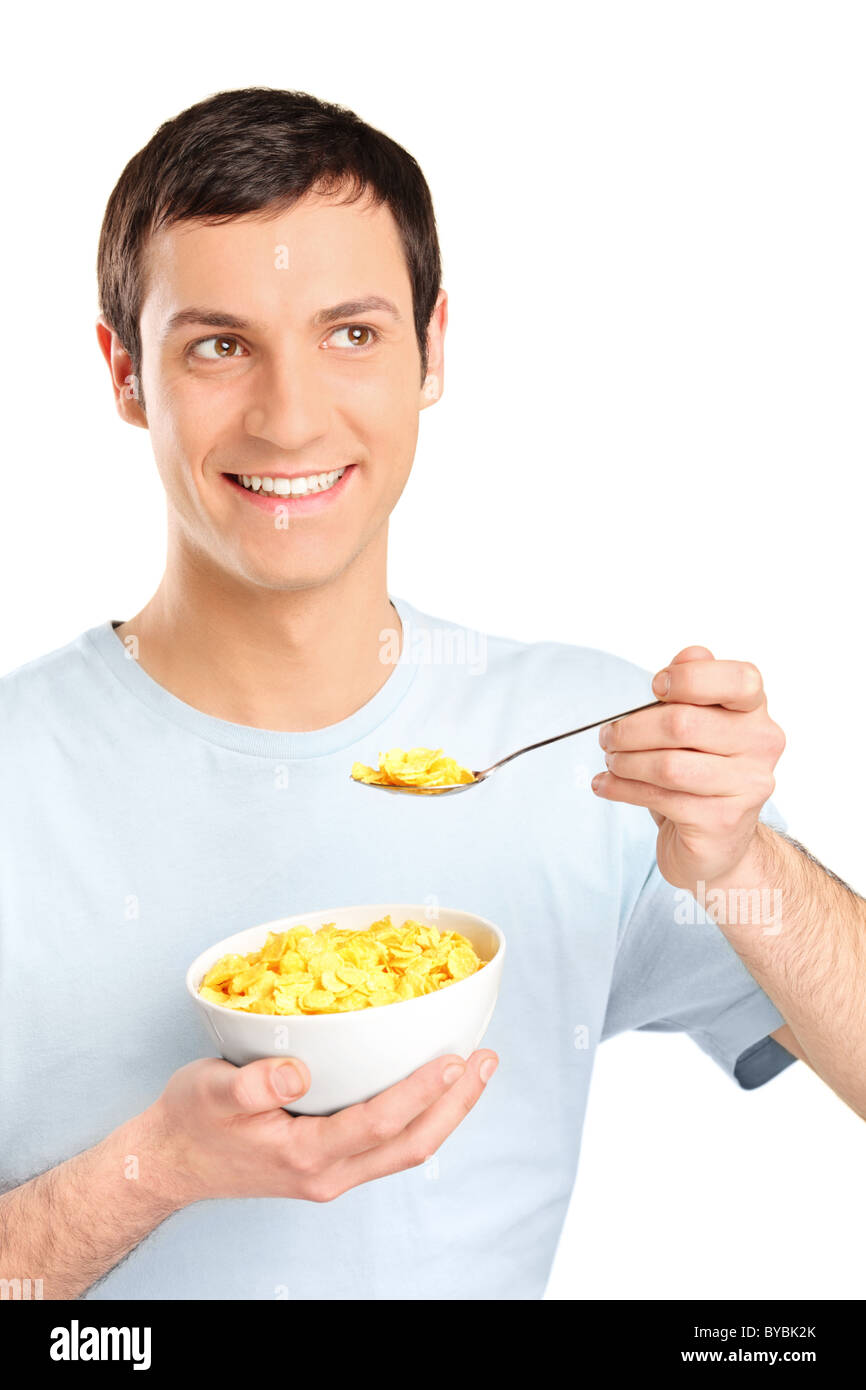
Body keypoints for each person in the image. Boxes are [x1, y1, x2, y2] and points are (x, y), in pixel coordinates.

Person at [0, 88, 862, 1303]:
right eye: (217, 344)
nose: (290, 418)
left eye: (349, 333)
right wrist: (152, 1170)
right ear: (123, 371)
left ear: (433, 349)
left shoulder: (592, 750)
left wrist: (742, 868)